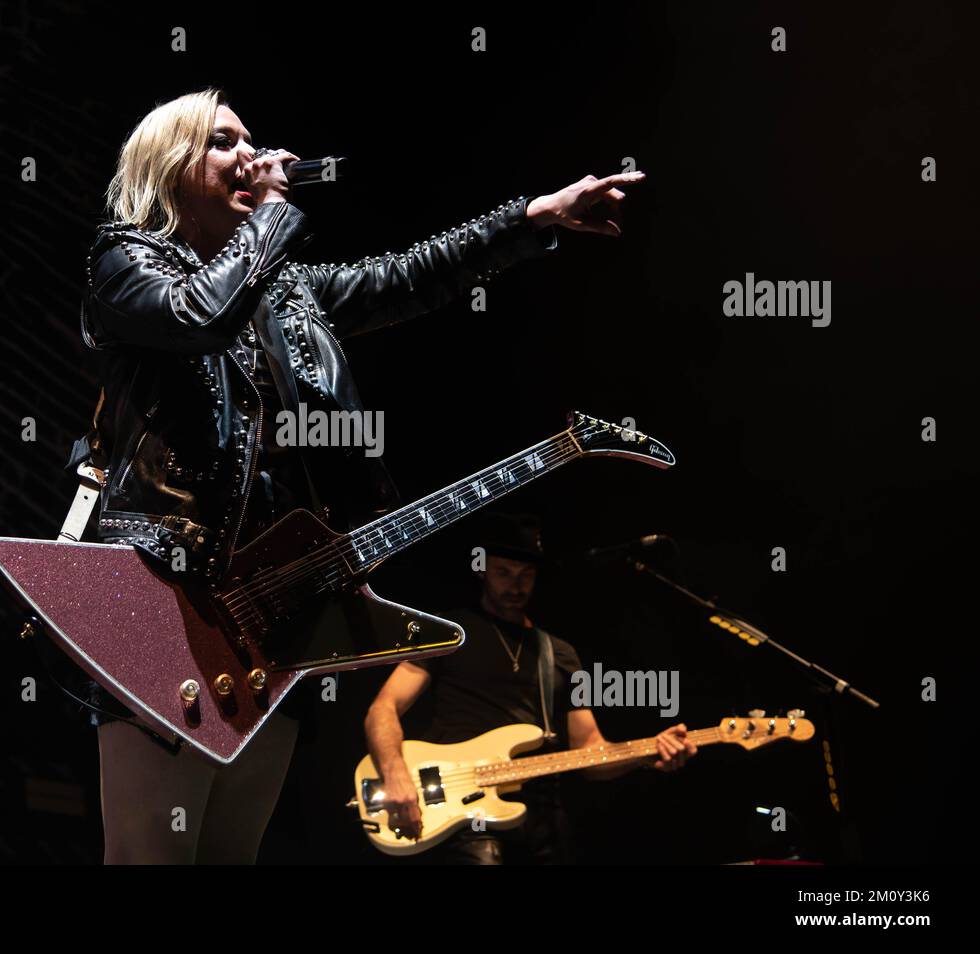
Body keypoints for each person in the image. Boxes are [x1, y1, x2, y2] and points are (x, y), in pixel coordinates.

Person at [77, 87, 645, 864]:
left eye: (253, 139)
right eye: (222, 142)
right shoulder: (125, 261)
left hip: (273, 611)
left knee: (226, 855)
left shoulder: (287, 292)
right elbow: (196, 318)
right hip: (167, 596)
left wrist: (532, 218)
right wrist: (274, 210)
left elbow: (407, 276)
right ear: (169, 165)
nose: (251, 154)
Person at [363, 512, 697, 864]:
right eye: (504, 572)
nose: (516, 586)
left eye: (526, 575)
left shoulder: (560, 653)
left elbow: (590, 750)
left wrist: (648, 751)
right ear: (482, 569)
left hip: (542, 821)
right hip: (462, 811)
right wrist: (394, 772)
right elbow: (382, 709)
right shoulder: (449, 633)